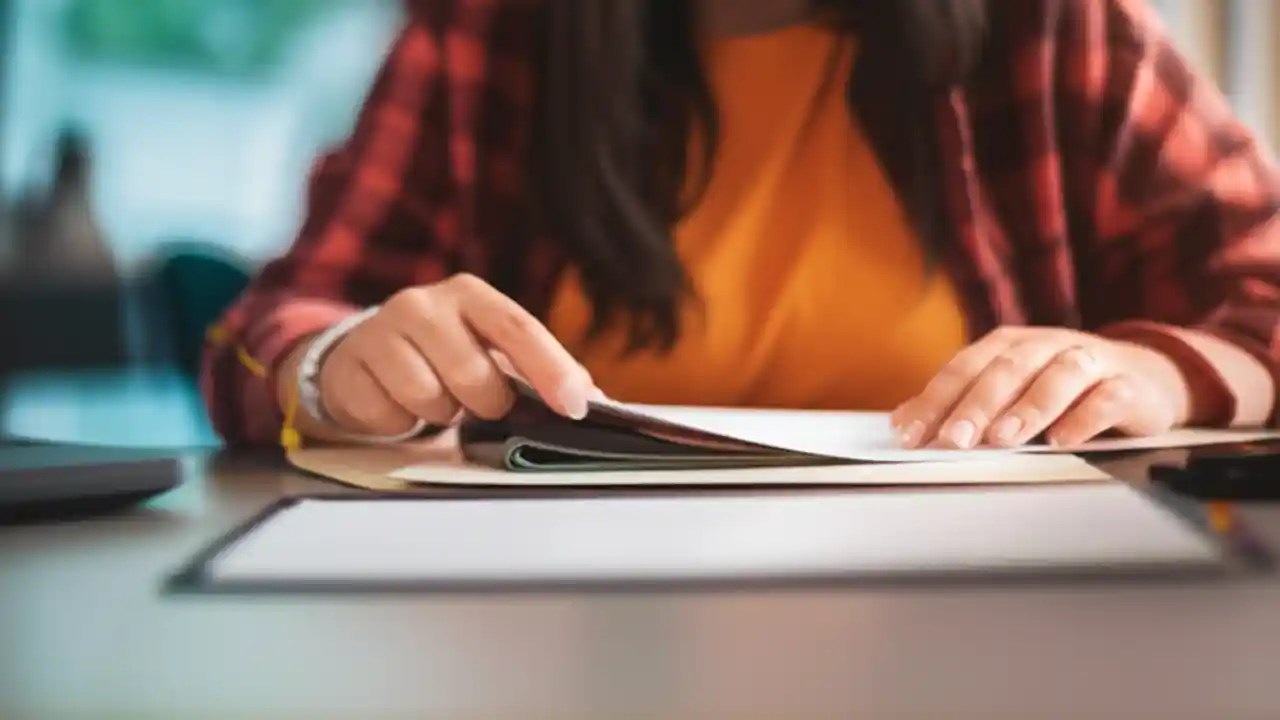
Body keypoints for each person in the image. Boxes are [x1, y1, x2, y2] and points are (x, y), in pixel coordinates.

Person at [204, 0, 1280, 451]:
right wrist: (333, 368)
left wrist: (1161, 378)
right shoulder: (489, 32)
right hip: (543, 626)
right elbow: (262, 326)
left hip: (987, 614)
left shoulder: (1055, 31)